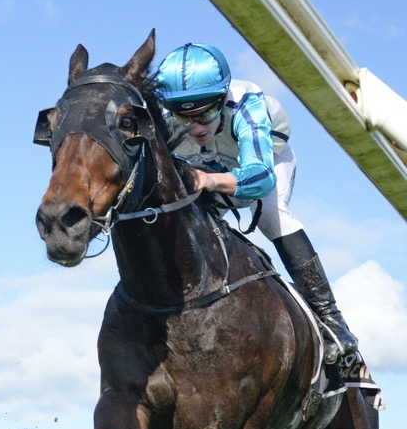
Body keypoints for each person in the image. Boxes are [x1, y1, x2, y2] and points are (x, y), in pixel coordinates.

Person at [153, 43, 358, 364]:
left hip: (264, 162)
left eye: (206, 112)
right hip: (211, 169)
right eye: (183, 115)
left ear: (222, 99)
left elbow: (260, 178)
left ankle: (332, 321)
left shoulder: (248, 103)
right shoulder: (164, 120)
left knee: (271, 217)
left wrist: (208, 181)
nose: (196, 127)